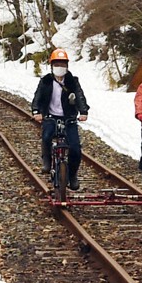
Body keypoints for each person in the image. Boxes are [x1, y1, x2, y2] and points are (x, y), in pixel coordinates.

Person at [30, 49, 90, 189]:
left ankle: (72, 175)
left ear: (67, 66)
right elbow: (37, 97)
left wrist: (83, 111)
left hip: (69, 119)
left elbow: (80, 96)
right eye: (57, 64)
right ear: (51, 66)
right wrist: (36, 111)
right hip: (51, 117)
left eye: (62, 64)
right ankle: (47, 161)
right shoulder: (45, 81)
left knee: (75, 148)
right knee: (46, 137)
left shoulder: (72, 81)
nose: (60, 67)